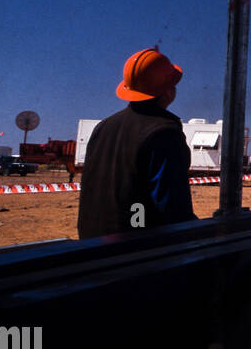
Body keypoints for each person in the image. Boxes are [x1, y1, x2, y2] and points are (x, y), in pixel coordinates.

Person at [77, 48, 197, 239]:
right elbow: (170, 205)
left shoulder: (104, 127)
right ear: (167, 92)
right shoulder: (163, 132)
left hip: (91, 242)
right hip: (135, 250)